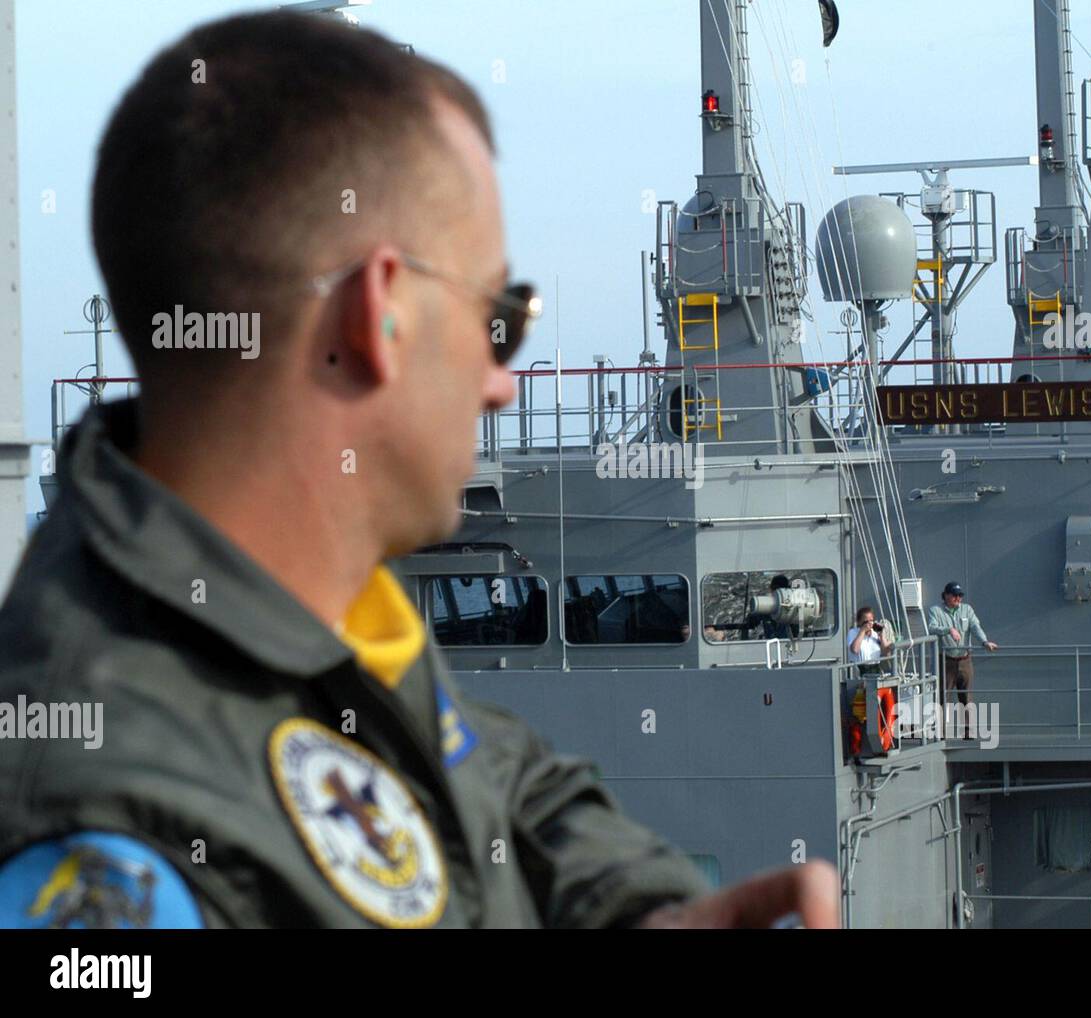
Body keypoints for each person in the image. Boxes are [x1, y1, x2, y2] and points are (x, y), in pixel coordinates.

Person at [0, 13, 835, 929]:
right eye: (498, 320)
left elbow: (495, 782)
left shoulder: (318, 625)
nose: (501, 385)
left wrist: (642, 911)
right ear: (378, 314)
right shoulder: (104, 836)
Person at [927, 582, 998, 740]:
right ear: (945, 595)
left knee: (966, 697)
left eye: (960, 595)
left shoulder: (967, 609)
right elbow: (931, 628)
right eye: (954, 595)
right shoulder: (935, 610)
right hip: (946, 661)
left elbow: (975, 626)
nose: (957, 598)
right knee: (942, 697)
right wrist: (948, 630)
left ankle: (968, 732)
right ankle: (940, 733)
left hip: (965, 660)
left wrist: (985, 642)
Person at [846, 605, 893, 674]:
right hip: (859, 669)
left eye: (871, 621)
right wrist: (862, 631)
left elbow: (886, 653)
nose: (869, 624)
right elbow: (855, 650)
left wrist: (882, 636)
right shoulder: (853, 632)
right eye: (866, 622)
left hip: (875, 668)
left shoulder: (875, 634)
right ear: (859, 622)